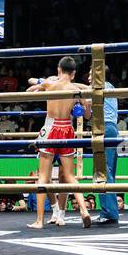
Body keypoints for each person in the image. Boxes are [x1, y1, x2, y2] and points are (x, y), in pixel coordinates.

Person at [27, 56, 93, 229]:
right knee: (70, 176)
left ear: (58, 70)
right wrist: (84, 104)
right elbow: (87, 116)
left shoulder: (51, 84)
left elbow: (28, 92)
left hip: (51, 128)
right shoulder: (75, 89)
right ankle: (84, 210)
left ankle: (40, 220)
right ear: (73, 73)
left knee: (43, 176)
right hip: (67, 129)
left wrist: (40, 86)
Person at [91, 69, 120, 227]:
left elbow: (89, 114)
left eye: (91, 74)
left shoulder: (100, 88)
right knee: (106, 170)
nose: (89, 77)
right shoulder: (110, 86)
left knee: (102, 170)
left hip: (104, 129)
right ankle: (109, 211)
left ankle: (109, 213)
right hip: (110, 129)